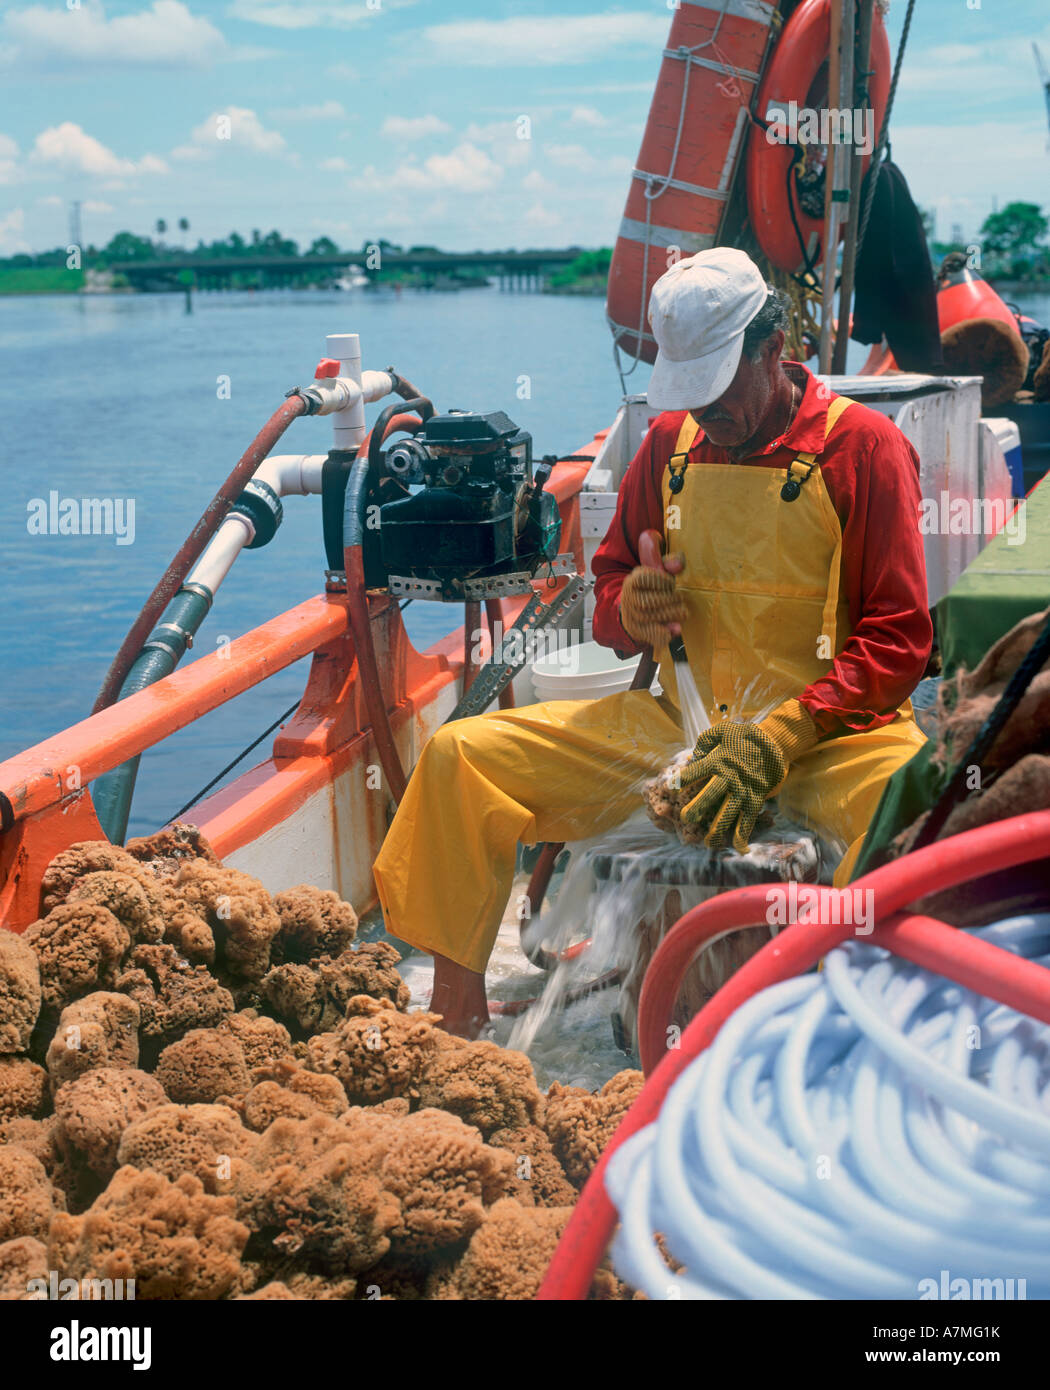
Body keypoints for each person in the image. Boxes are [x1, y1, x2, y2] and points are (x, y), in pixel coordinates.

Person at [373, 247, 931, 1037]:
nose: (706, 413)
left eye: (720, 387)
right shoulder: (668, 445)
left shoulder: (862, 449)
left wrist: (785, 731)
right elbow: (603, 598)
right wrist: (629, 609)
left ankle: (878, 1024)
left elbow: (901, 638)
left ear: (774, 348)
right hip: (682, 729)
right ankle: (455, 1014)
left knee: (920, 815)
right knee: (461, 759)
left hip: (834, 737)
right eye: (690, 391)